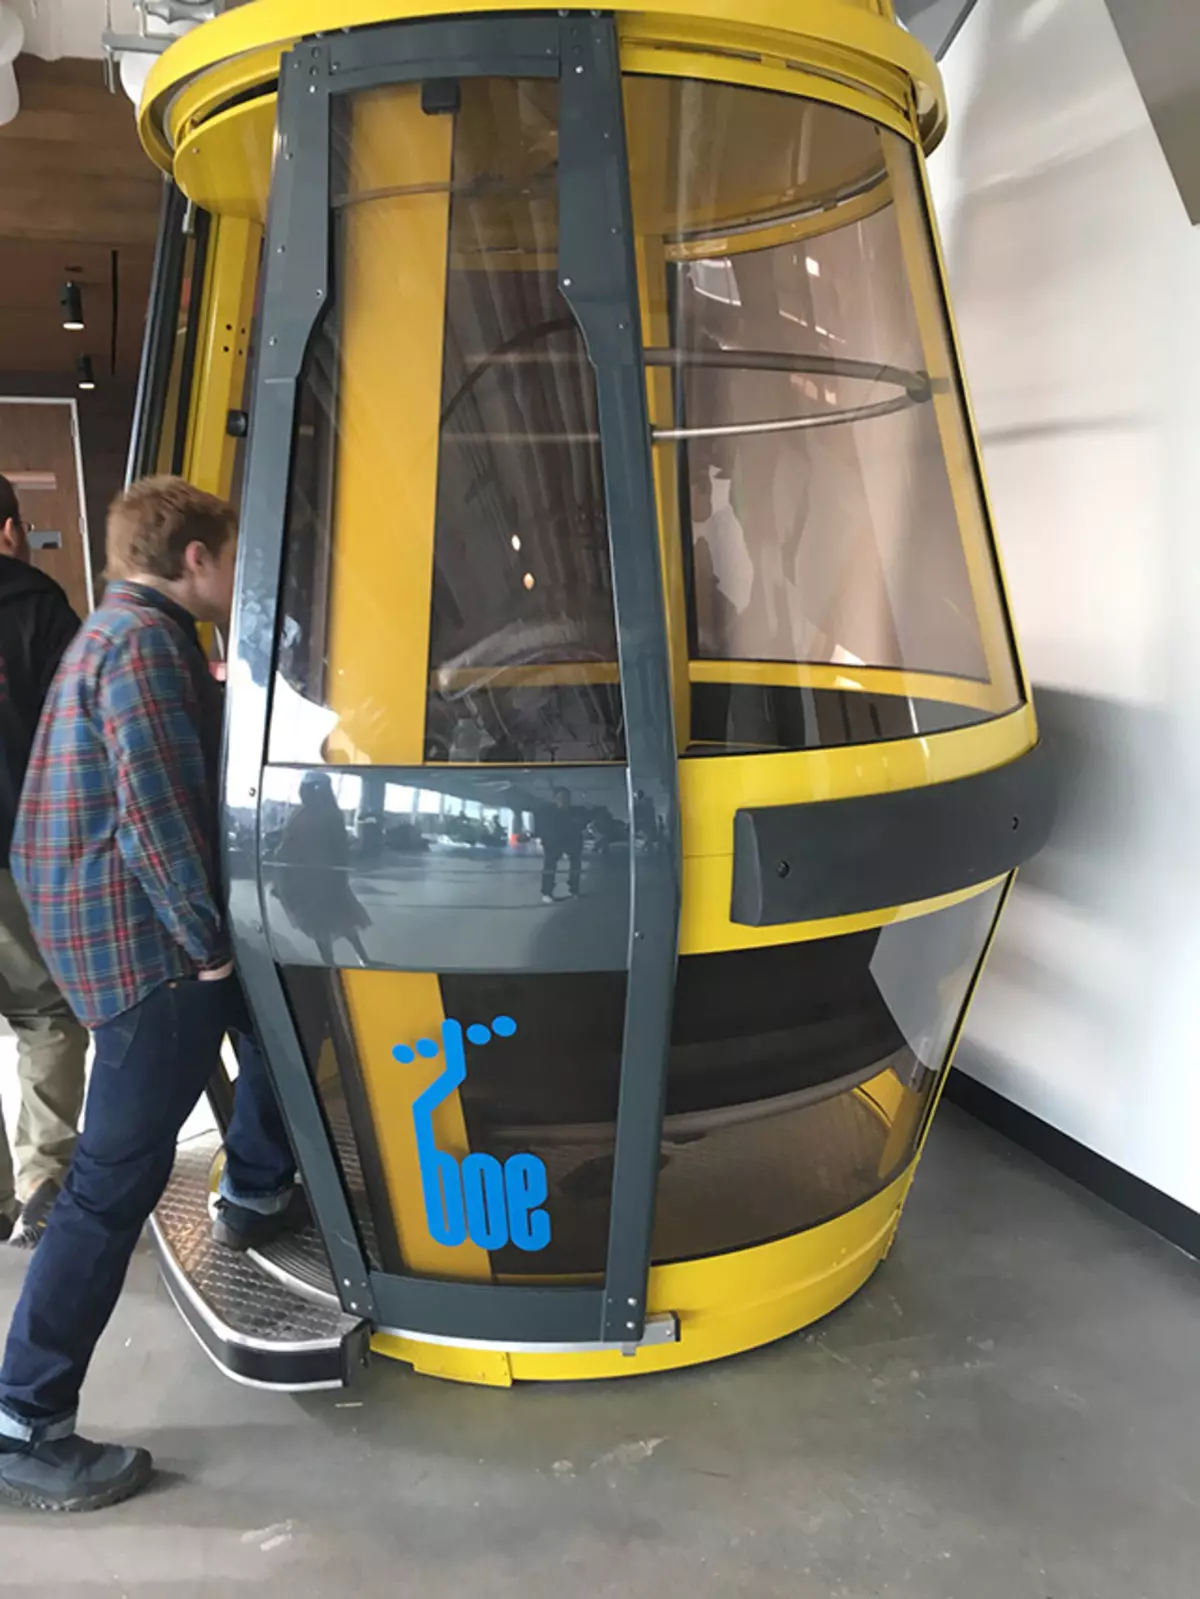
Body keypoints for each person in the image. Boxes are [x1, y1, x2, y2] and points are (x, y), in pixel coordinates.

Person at [0, 477, 303, 1514]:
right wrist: (209, 950)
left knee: (275, 1029)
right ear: (199, 560)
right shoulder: (140, 651)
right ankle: (23, 1417)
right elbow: (158, 817)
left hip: (110, 943)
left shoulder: (122, 632)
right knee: (106, 1187)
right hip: (146, 964)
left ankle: (258, 1189)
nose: (236, 572)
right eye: (229, 553)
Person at [0, 474, 88, 1250]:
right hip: (20, 854)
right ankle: (41, 1180)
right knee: (47, 1013)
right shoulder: (38, 608)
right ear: (6, 530)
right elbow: (78, 735)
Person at [271, 769, 372, 966]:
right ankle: (329, 962)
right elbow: (288, 841)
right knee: (319, 925)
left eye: (309, 788)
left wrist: (340, 877)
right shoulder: (299, 812)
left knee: (342, 920)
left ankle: (362, 957)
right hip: (302, 879)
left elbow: (339, 848)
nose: (305, 792)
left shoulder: (330, 814)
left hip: (325, 879)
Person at [537, 786, 585, 903]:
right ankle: (547, 892)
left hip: (571, 842)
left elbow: (579, 826)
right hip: (553, 843)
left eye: (567, 798)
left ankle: (574, 889)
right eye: (561, 798)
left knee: (575, 865)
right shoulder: (547, 813)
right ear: (555, 799)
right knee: (549, 867)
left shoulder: (574, 812)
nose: (564, 801)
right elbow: (545, 830)